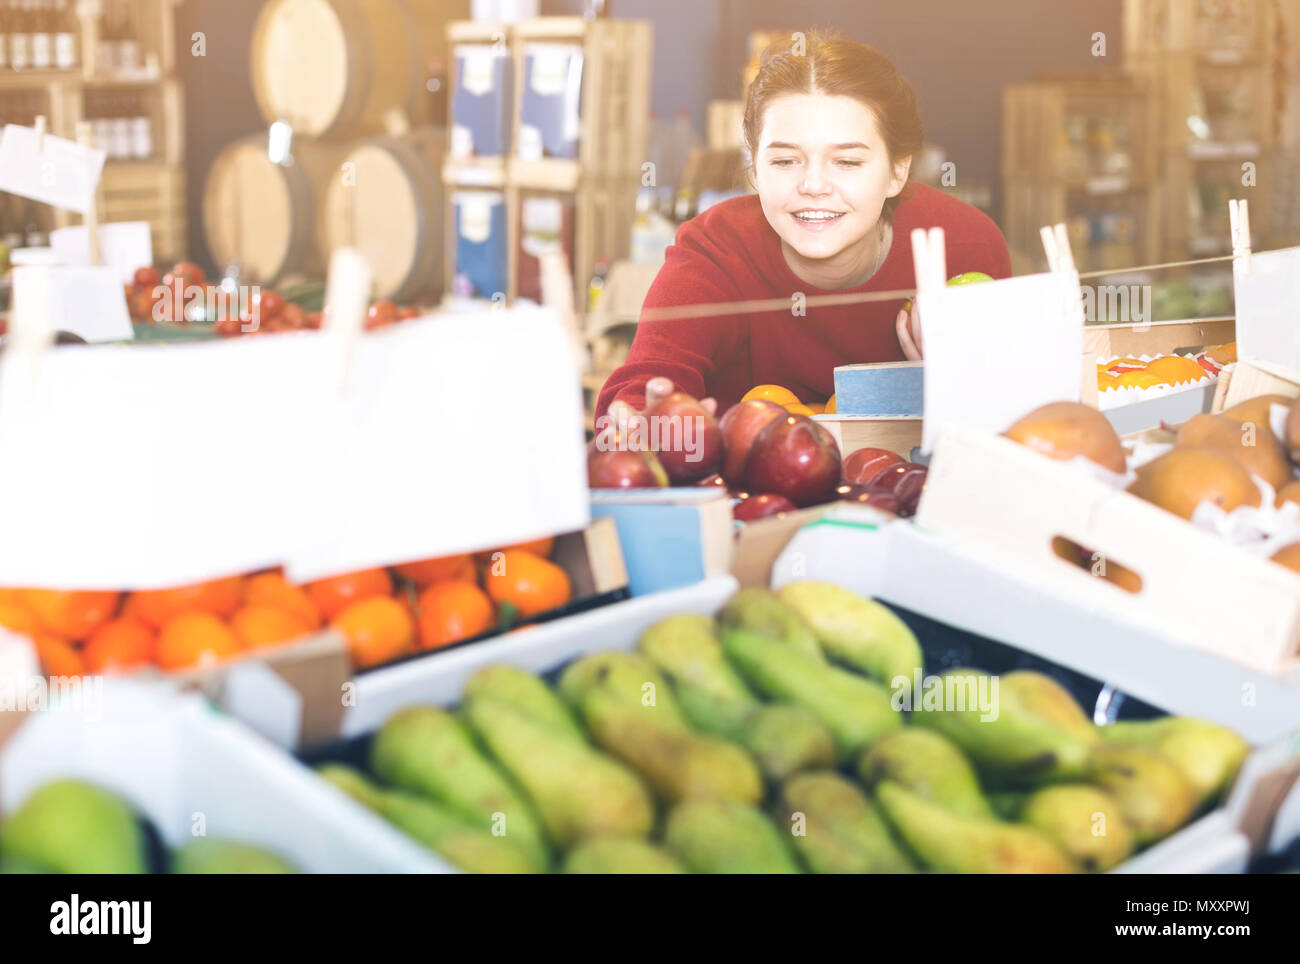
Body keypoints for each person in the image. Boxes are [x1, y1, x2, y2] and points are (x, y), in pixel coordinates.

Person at [595, 31, 1011, 422]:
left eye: (847, 162)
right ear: (754, 169)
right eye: (785, 161)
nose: (813, 186)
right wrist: (640, 422)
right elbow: (640, 392)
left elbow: (1013, 418)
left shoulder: (962, 246)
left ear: (897, 172)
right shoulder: (716, 249)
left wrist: (958, 385)